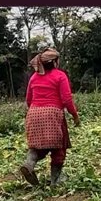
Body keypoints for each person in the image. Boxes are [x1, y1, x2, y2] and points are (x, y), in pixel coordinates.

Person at [21, 48, 80, 186]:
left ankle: (29, 164)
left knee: (36, 147)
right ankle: (55, 180)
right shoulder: (60, 76)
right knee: (58, 148)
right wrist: (75, 116)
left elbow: (28, 99)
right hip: (52, 114)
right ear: (54, 62)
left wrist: (36, 112)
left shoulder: (34, 77)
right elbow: (67, 99)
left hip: (33, 113)